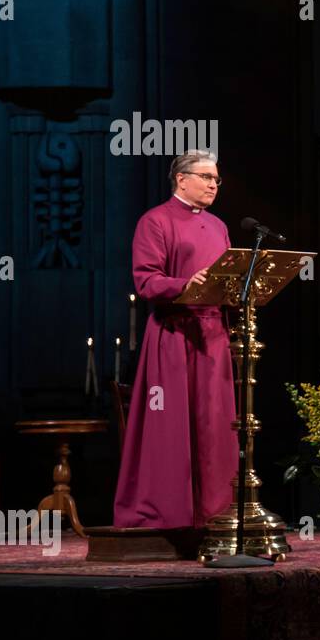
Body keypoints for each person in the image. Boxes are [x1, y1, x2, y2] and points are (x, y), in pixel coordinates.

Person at [113, 150, 236, 528]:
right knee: (171, 427)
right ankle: (169, 513)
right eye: (206, 177)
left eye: (216, 178)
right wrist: (185, 284)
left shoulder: (218, 226)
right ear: (182, 179)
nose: (214, 184)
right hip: (174, 334)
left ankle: (214, 513)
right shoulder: (155, 221)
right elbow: (145, 280)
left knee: (215, 428)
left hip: (214, 336)